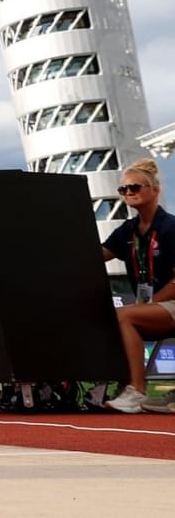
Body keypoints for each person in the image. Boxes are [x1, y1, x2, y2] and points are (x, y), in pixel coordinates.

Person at [101, 159, 175, 413]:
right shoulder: (127, 231)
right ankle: (114, 386)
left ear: (155, 190)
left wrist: (150, 304)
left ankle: (136, 390)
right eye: (123, 189)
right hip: (156, 306)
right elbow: (96, 256)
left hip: (170, 302)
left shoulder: (170, 227)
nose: (128, 193)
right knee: (106, 318)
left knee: (124, 317)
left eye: (135, 187)